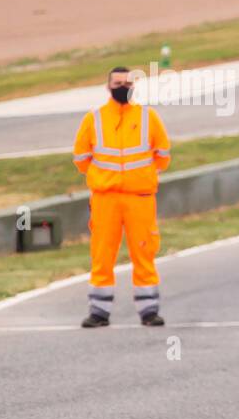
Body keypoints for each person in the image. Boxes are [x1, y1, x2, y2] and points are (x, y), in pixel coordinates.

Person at [73, 66, 171, 328]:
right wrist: (103, 179)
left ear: (134, 86)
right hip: (105, 199)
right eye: (117, 83)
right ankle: (99, 312)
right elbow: (81, 158)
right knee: (102, 253)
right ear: (108, 87)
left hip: (139, 197)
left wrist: (140, 177)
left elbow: (163, 155)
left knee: (144, 250)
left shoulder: (149, 117)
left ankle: (149, 310)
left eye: (127, 83)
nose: (122, 87)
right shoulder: (93, 119)